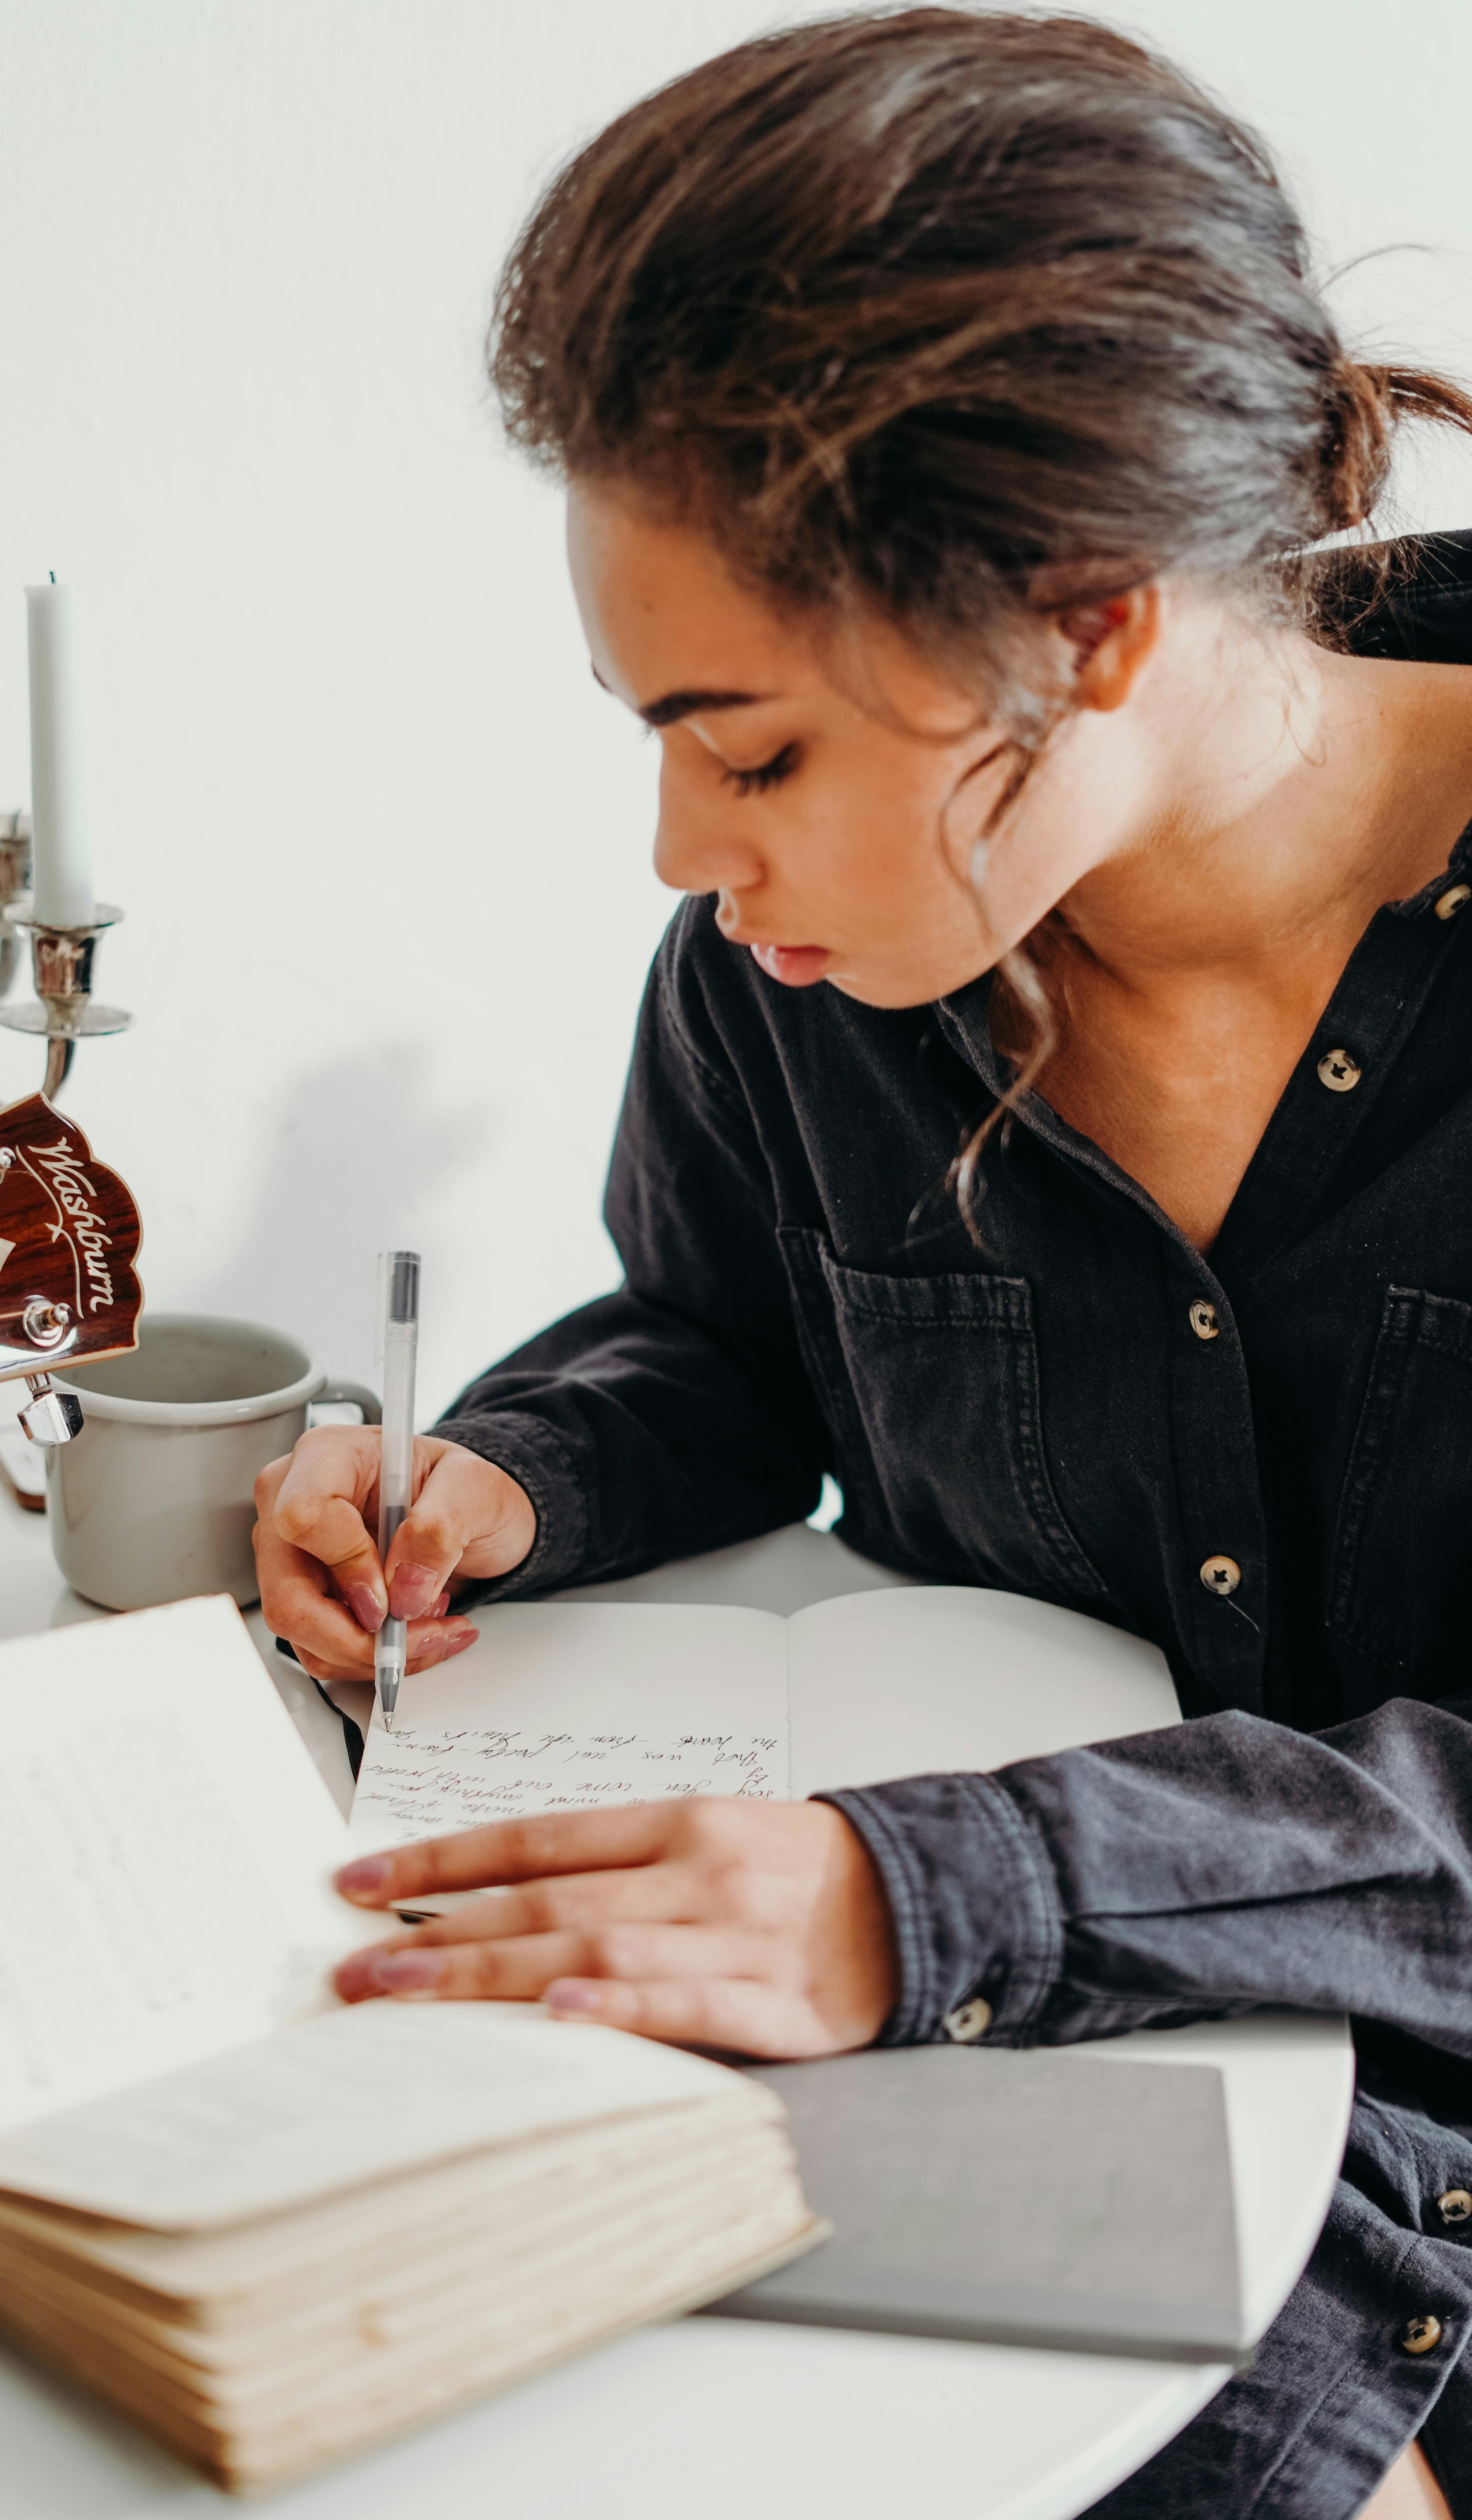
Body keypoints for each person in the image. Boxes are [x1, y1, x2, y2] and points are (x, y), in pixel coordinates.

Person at [253, 13, 1472, 2513]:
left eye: (759, 750)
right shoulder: (792, 986)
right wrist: (511, 1474)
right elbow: (727, 1339)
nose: (684, 850)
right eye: (656, 734)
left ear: (1093, 623)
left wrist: (941, 1894)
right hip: (1049, 2079)